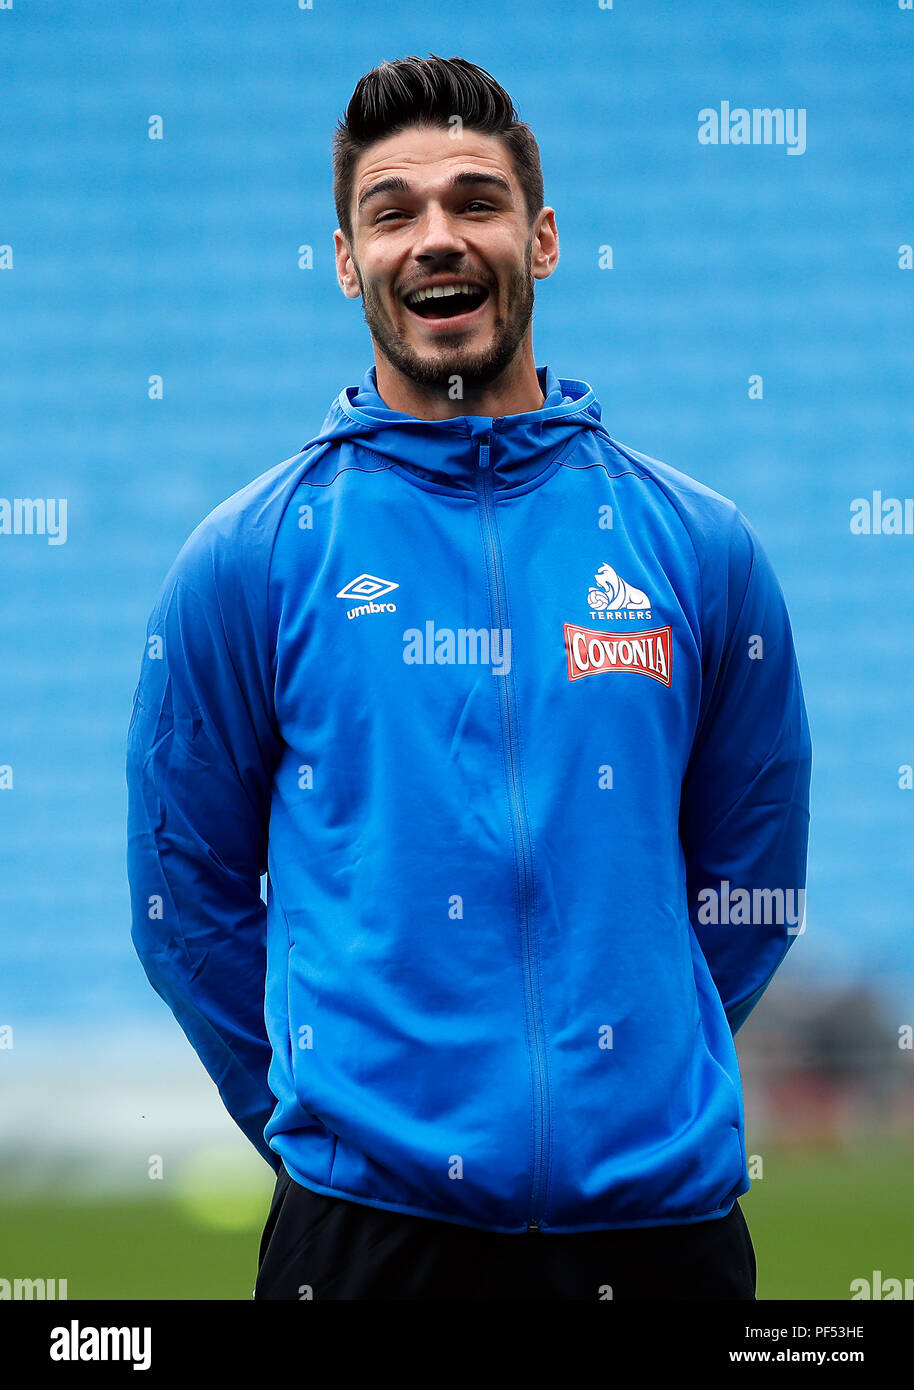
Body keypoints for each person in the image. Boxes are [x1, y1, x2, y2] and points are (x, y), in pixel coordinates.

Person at [126, 54, 812, 1301]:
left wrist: (622, 1083)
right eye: (392, 212)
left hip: (660, 1234)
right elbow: (185, 898)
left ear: (540, 239)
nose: (436, 237)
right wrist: (338, 1115)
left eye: (475, 201)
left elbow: (750, 878)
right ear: (346, 260)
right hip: (366, 1238)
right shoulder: (251, 558)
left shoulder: (695, 547)